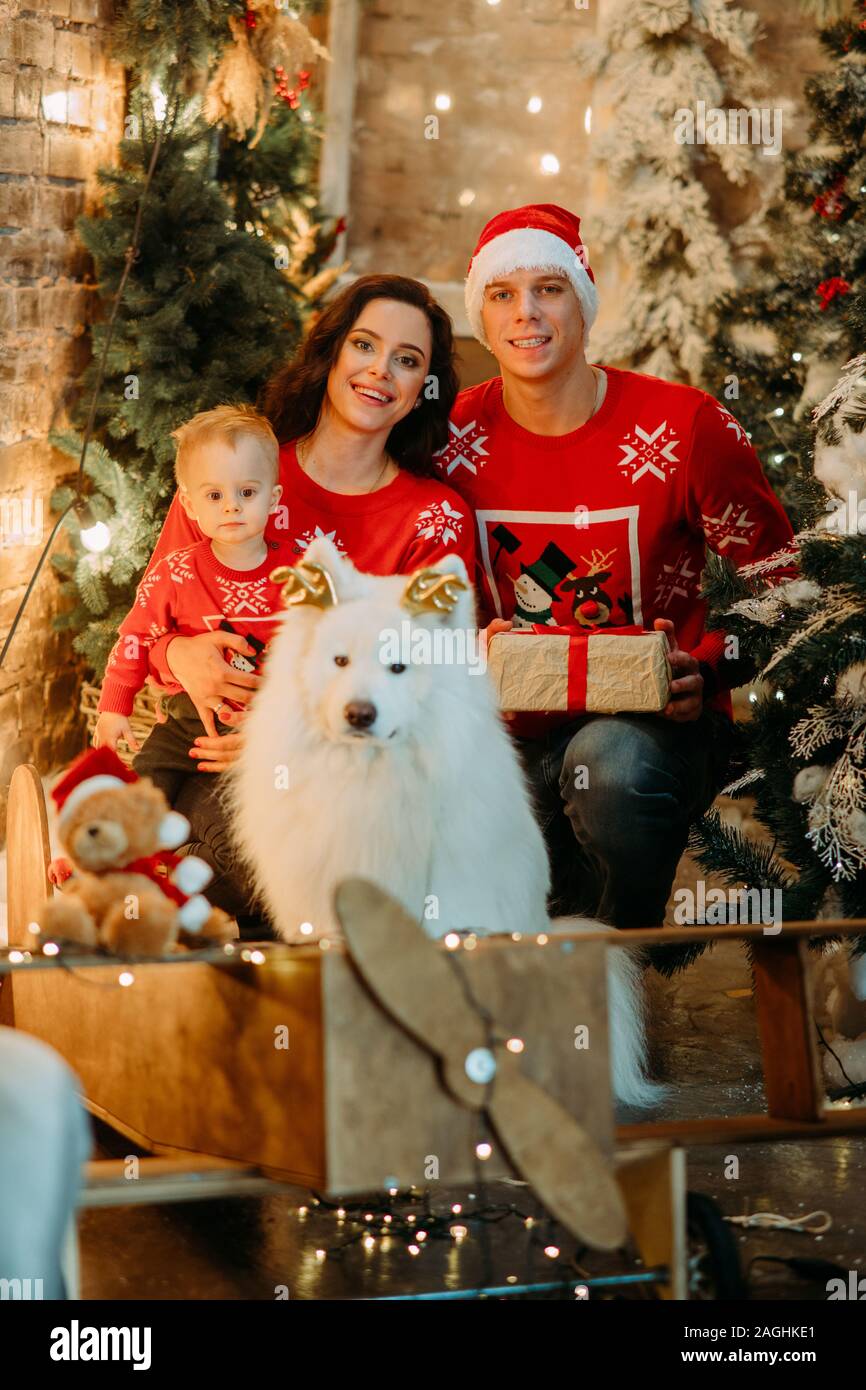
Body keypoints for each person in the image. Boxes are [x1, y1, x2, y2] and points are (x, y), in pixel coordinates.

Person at [435, 202, 795, 929]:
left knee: (612, 767)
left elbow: (783, 588)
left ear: (584, 301)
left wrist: (708, 666)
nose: (526, 313)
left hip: (651, 728)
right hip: (502, 723)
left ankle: (615, 959)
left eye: (549, 288)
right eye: (501, 294)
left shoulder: (686, 425)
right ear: (480, 312)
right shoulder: (449, 439)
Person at [131, 276, 475, 928]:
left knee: (217, 855)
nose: (381, 370)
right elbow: (151, 627)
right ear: (329, 353)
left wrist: (282, 740)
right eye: (364, 345)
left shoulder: (433, 521)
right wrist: (178, 653)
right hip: (202, 747)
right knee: (134, 846)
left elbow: (436, 692)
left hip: (346, 779)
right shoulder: (232, 477)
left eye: (408, 360)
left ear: (423, 388)